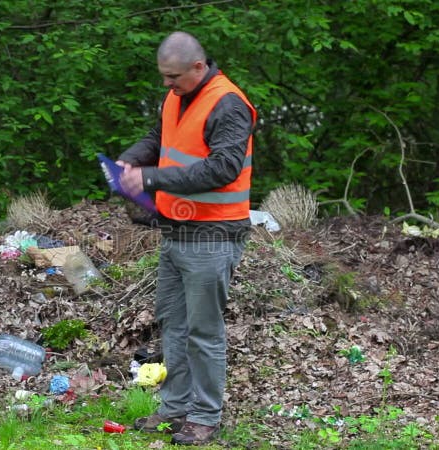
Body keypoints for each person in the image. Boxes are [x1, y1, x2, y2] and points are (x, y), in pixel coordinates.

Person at [116, 31, 256, 446]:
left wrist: (151, 176)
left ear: (198, 67)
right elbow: (158, 139)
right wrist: (132, 158)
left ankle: (205, 417)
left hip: (213, 234)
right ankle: (175, 408)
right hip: (176, 229)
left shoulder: (228, 104)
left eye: (173, 76)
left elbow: (223, 168)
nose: (166, 84)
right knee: (173, 324)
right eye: (163, 77)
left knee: (204, 331)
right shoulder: (177, 95)